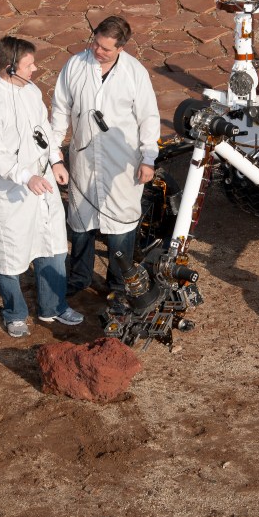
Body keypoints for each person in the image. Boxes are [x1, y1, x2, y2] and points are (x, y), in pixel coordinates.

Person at [0, 36, 84, 337]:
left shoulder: (31, 91)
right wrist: (25, 177)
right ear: (10, 68)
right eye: (29, 64)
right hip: (8, 195)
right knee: (9, 255)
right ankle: (14, 312)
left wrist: (56, 161)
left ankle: (53, 307)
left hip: (41, 185)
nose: (35, 68)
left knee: (53, 245)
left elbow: (42, 131)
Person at [50, 16, 160, 314]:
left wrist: (148, 158)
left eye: (106, 49)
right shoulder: (74, 66)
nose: (98, 51)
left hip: (122, 165)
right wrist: (54, 152)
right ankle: (79, 277)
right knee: (81, 222)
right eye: (96, 43)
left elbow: (148, 116)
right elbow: (61, 109)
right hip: (84, 160)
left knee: (120, 226)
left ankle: (118, 284)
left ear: (121, 48)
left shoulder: (135, 73)